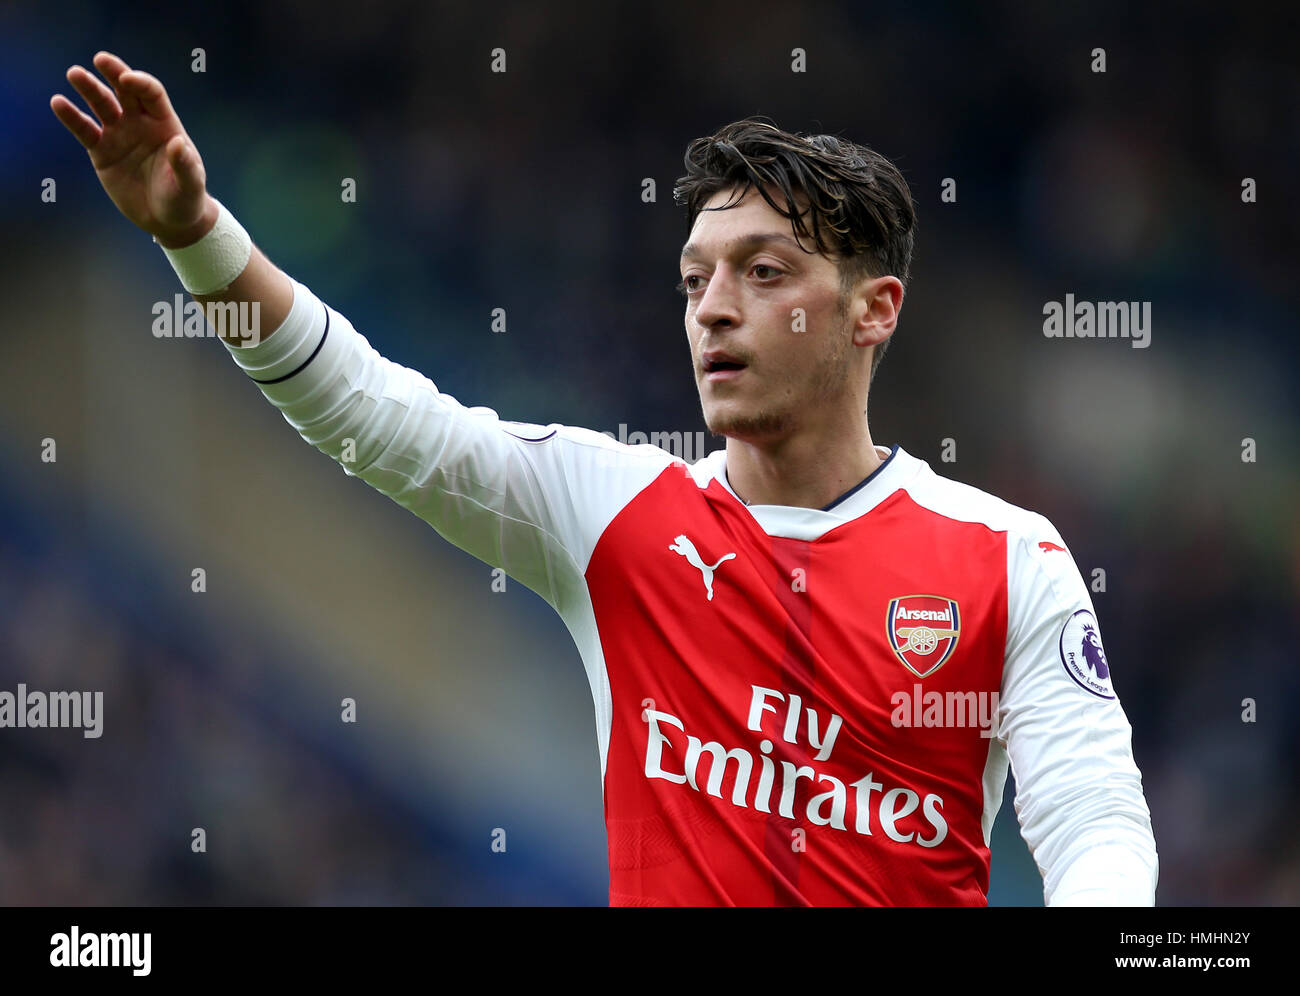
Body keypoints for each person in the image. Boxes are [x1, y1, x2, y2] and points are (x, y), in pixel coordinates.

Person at [52, 51, 1158, 906]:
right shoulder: (616, 511)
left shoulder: (1005, 559)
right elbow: (367, 413)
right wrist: (195, 235)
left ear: (873, 311)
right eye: (694, 280)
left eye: (762, 272)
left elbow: (1094, 823)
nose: (713, 307)